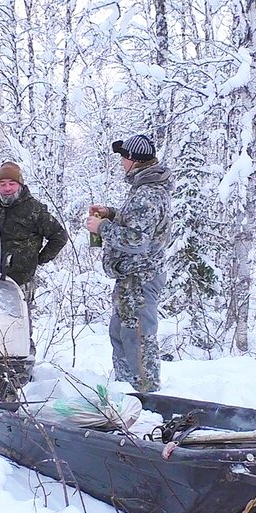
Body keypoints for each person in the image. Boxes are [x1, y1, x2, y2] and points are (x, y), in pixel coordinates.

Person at [84, 134, 173, 392]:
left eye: (123, 157)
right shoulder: (145, 190)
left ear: (134, 160)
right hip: (130, 279)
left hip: (140, 279)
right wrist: (112, 214)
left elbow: (136, 240)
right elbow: (139, 224)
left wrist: (103, 227)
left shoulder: (147, 194)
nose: (121, 162)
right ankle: (126, 393)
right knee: (122, 337)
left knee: (139, 341)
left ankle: (147, 398)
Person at [0, 161, 69, 354]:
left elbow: (59, 236)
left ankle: (24, 360)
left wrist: (39, 258)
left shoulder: (34, 209)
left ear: (20, 185)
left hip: (20, 279)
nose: (7, 188)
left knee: (20, 323)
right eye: (2, 184)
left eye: (11, 183)